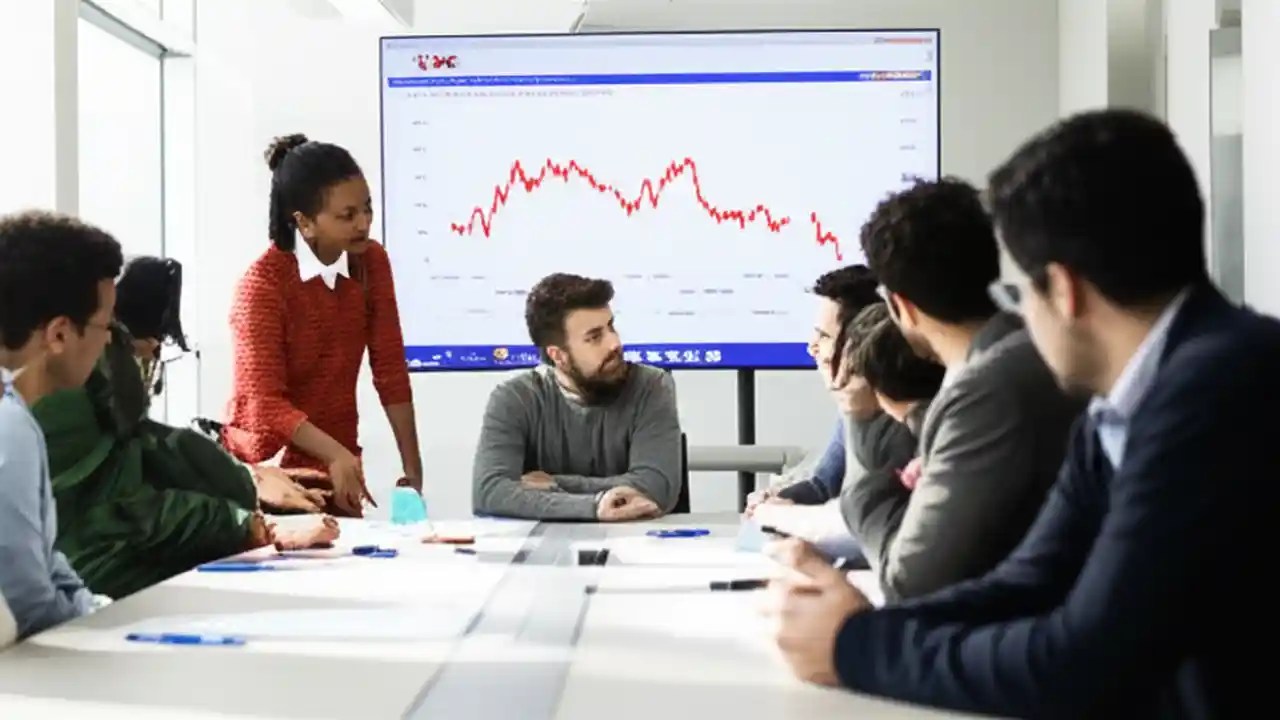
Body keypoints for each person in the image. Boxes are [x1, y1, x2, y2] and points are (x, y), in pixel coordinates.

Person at [765, 109, 1273, 718]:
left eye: (1022, 291)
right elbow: (1030, 583)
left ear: (1064, 291)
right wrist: (856, 622)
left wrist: (853, 647)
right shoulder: (1120, 408)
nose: (1017, 317)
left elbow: (1083, 660)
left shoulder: (1216, 389)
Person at [33, 256, 338, 599]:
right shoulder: (65, 399)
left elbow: (149, 453)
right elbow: (131, 512)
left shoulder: (67, 395)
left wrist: (248, 483)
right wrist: (252, 522)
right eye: (105, 326)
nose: (111, 341)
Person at [838, 177, 1083, 602]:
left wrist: (867, 495)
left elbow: (909, 583)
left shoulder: (987, 392)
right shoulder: (1031, 354)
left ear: (900, 307)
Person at [222, 135, 424, 516]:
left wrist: (412, 467)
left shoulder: (371, 263)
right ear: (305, 223)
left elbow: (390, 368)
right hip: (270, 472)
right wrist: (337, 454)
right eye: (347, 216)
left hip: (337, 464)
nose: (363, 223)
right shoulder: (262, 287)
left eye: (367, 209)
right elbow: (265, 405)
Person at [472, 273, 681, 521]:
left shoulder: (651, 386)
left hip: (636, 542)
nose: (614, 343)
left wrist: (554, 483)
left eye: (611, 327)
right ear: (558, 356)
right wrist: (593, 506)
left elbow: (655, 488)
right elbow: (489, 492)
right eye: (594, 337)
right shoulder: (514, 398)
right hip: (542, 551)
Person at [0, 210, 120, 639]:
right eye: (105, 325)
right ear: (60, 335)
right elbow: (25, 601)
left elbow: (45, 562)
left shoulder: (18, 415)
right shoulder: (10, 426)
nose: (108, 340)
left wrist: (95, 610)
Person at [748, 265, 916, 512]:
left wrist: (787, 517)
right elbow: (823, 486)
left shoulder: (907, 421)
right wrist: (778, 500)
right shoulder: (853, 407)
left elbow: (865, 513)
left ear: (858, 343)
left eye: (824, 336)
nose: (812, 348)